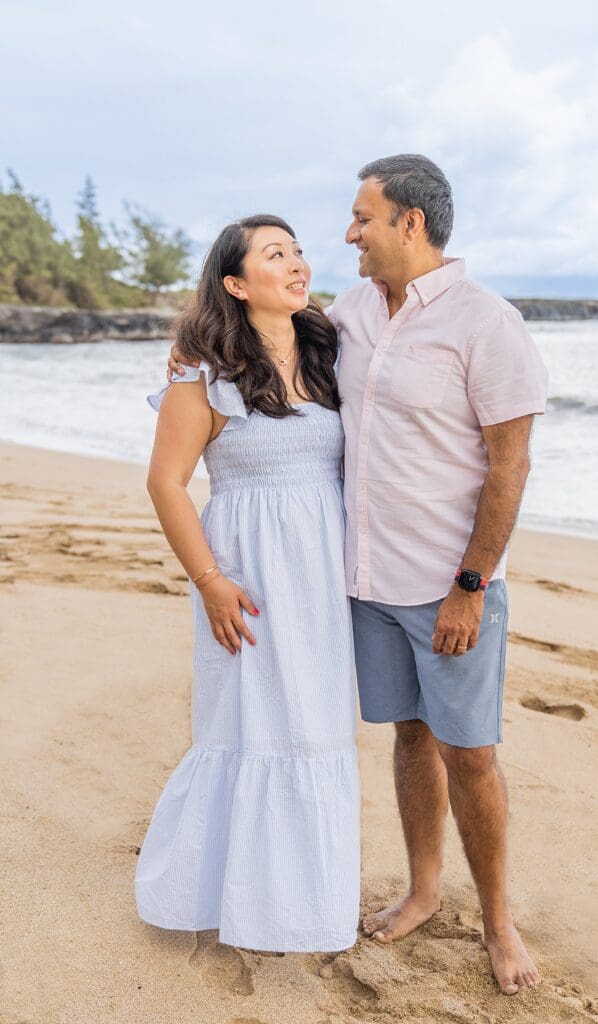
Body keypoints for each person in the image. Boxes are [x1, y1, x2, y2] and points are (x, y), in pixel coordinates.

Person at [169, 154, 550, 995]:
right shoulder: (345, 314)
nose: (346, 235)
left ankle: (497, 920)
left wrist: (471, 585)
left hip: (448, 584)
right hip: (360, 582)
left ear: (408, 223)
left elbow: (510, 468)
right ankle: (422, 888)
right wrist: (186, 352)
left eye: (361, 219)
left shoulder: (488, 324)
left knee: (471, 752)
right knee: (408, 737)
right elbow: (247, 349)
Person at [135, 214, 360, 954]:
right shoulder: (203, 370)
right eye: (274, 255)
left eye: (296, 250)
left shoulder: (331, 350)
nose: (296, 263)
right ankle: (217, 895)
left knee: (313, 727)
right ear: (235, 284)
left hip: (321, 573)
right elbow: (167, 483)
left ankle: (298, 907)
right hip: (246, 571)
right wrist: (210, 582)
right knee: (249, 724)